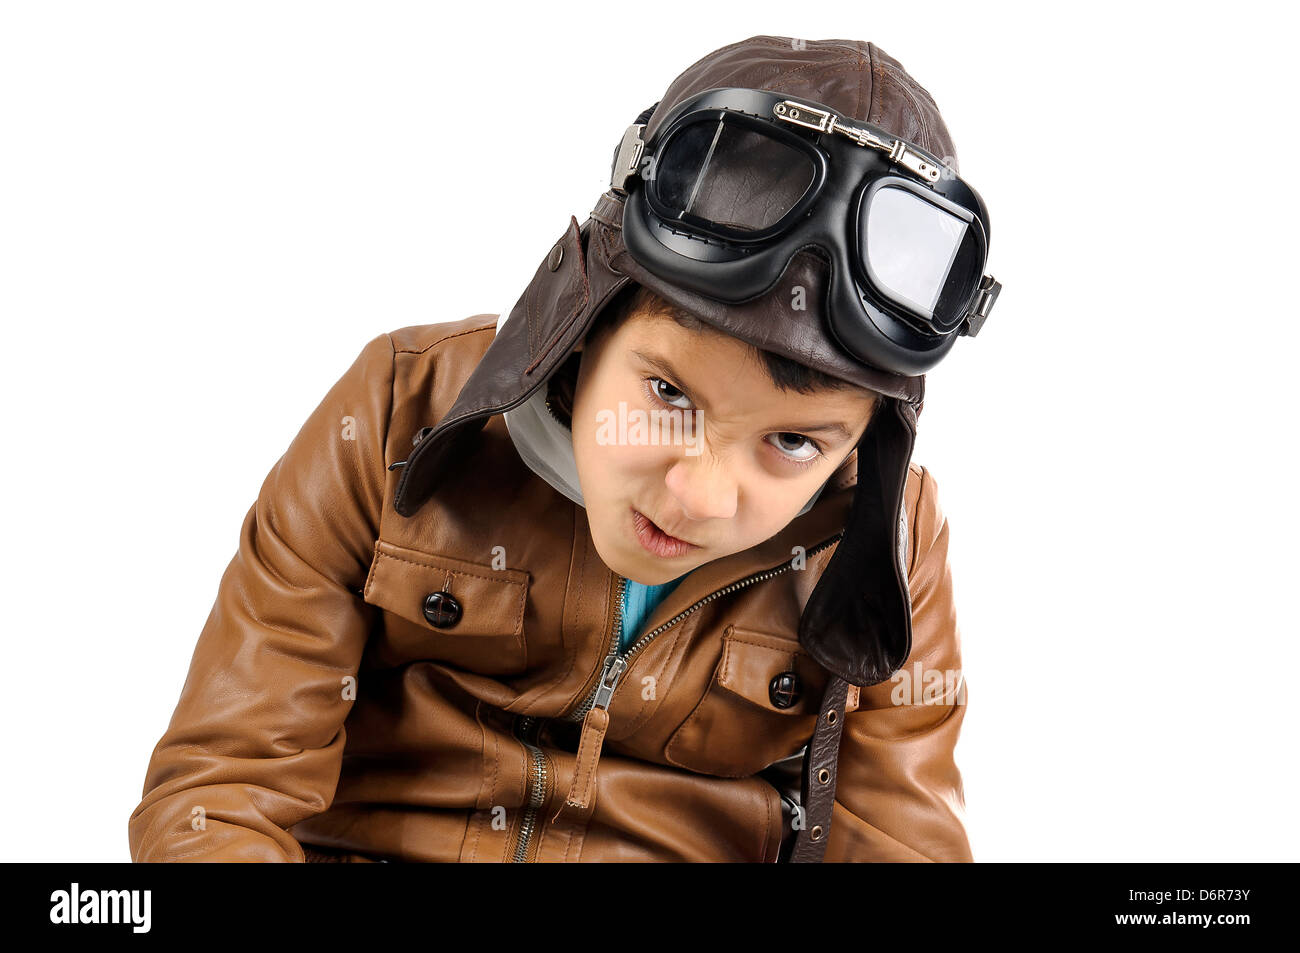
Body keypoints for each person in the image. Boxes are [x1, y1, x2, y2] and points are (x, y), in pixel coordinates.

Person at [128, 34, 1001, 863]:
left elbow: (901, 844)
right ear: (585, 320)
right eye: (668, 394)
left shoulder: (896, 538)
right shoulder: (398, 410)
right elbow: (224, 789)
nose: (698, 494)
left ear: (864, 443)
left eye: (792, 441)